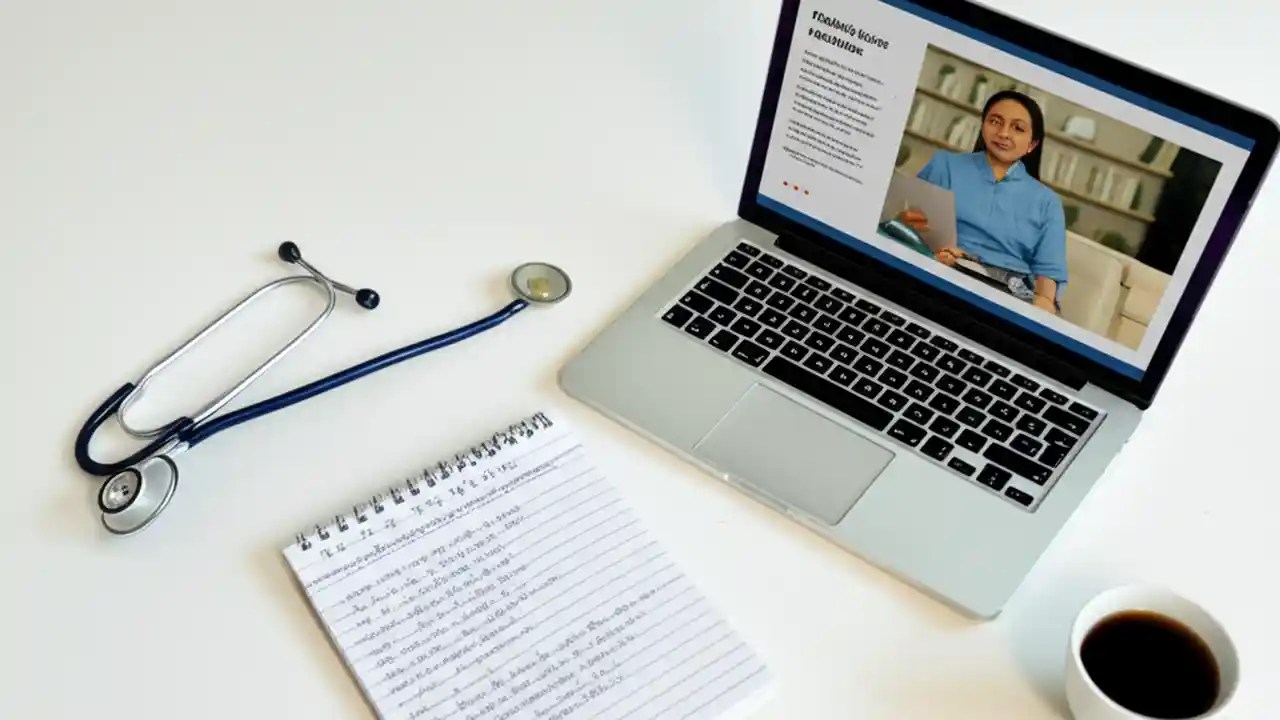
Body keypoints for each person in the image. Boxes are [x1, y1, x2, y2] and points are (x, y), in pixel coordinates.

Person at [899, 90, 1068, 313]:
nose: (1003, 133)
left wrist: (1041, 307)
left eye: (1017, 128)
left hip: (1006, 293)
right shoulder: (945, 164)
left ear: (1032, 144)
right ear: (983, 125)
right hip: (939, 270)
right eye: (995, 122)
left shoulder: (1047, 202)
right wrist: (930, 255)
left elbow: (1047, 284)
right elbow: (906, 227)